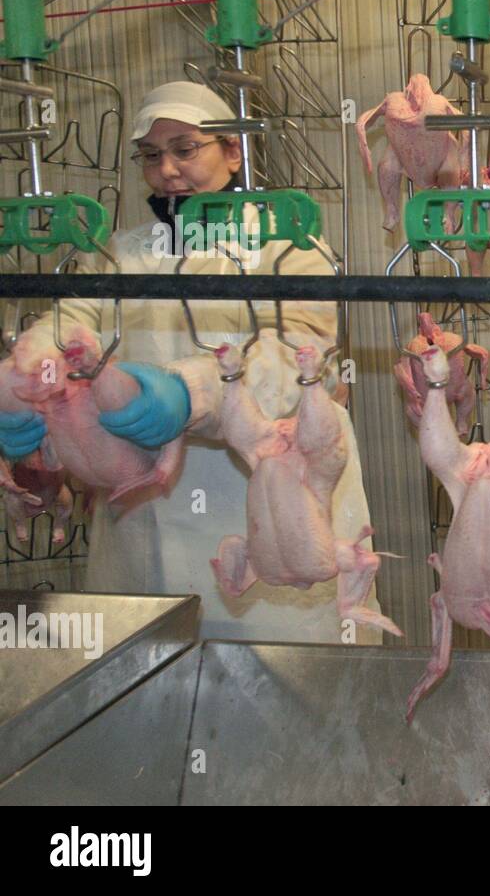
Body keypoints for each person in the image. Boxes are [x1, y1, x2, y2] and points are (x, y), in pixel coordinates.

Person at [0, 82, 388, 643]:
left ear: (233, 152)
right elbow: (69, 324)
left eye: (186, 149)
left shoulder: (289, 246)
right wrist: (26, 376)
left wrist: (192, 393)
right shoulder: (119, 254)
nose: (168, 170)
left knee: (287, 691)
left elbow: (300, 362)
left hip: (268, 510)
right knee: (153, 690)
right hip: (144, 517)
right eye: (152, 157)